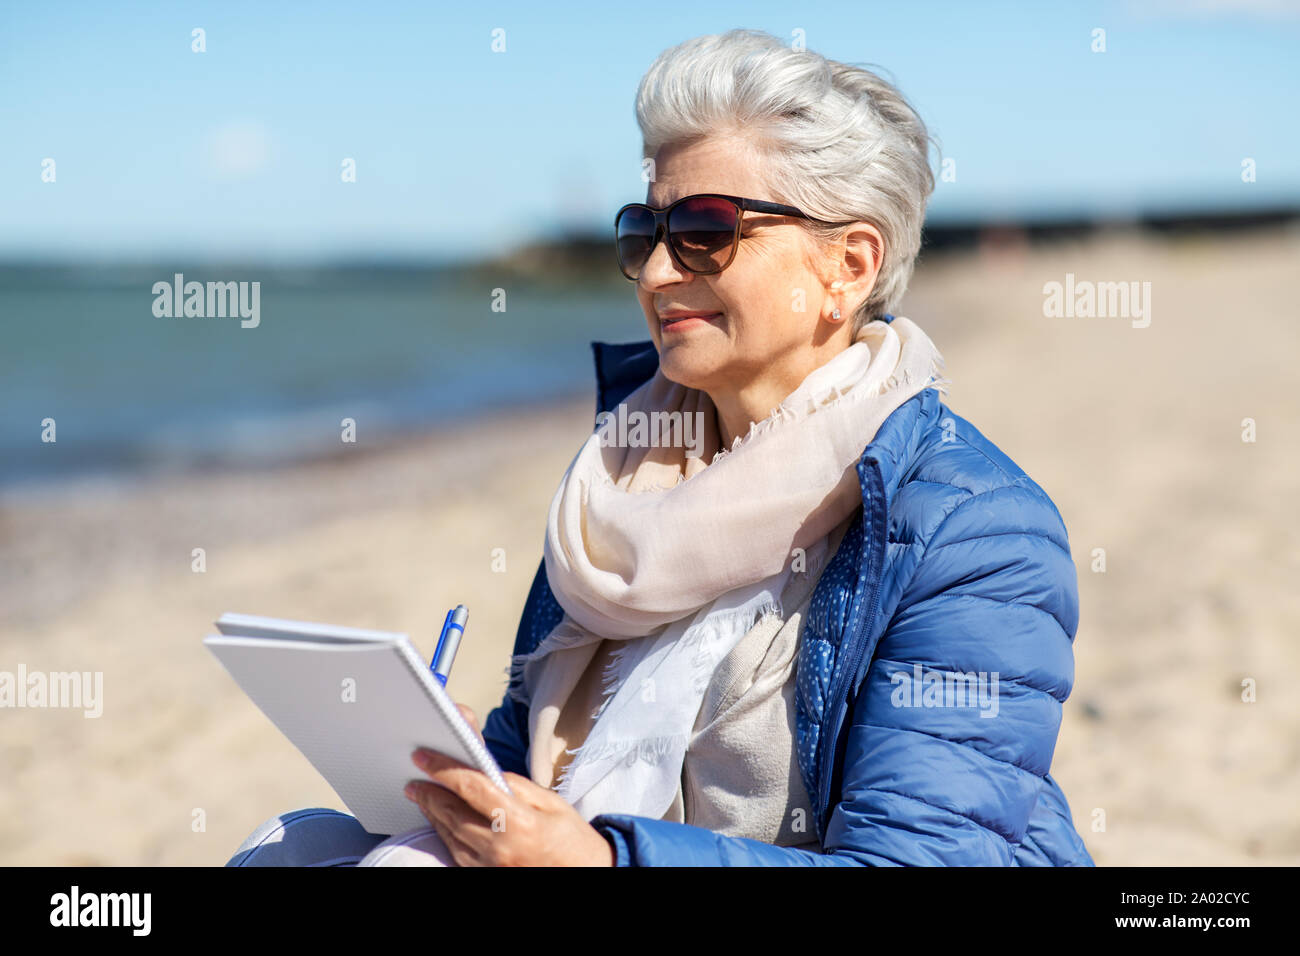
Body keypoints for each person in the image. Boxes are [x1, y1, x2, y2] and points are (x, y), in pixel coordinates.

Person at [227, 28, 1093, 868]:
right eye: (646, 231)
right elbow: (541, 761)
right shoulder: (616, 485)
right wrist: (468, 771)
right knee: (298, 845)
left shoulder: (975, 532)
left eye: (707, 231)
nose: (654, 273)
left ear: (850, 266)